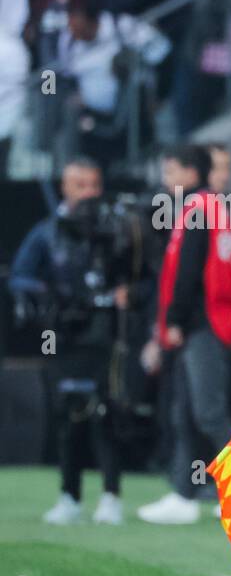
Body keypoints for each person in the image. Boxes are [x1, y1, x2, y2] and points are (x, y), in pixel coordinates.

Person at [9, 157, 126, 525]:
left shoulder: (118, 231)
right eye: (80, 185)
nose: (88, 192)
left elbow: (139, 274)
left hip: (105, 335)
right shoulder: (46, 233)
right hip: (62, 337)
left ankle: (111, 497)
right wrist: (54, 301)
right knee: (67, 416)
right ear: (65, 187)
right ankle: (69, 496)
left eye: (93, 184)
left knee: (107, 413)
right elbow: (21, 277)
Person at [137, 144, 231, 525]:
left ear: (189, 173)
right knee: (187, 411)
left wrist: (176, 320)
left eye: (171, 173)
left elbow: (187, 273)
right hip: (206, 323)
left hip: (203, 325)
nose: (166, 182)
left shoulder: (198, 211)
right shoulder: (210, 207)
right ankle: (184, 492)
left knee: (209, 412)